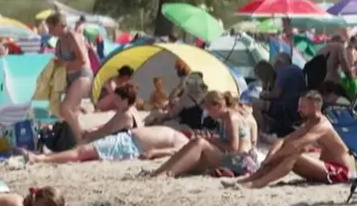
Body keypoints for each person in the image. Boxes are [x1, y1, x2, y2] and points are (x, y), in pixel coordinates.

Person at [235, 91, 356, 188]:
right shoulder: (310, 122)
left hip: (338, 172)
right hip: (323, 170)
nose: (298, 110)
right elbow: (283, 140)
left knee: (294, 154)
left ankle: (259, 183)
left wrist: (274, 157)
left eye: (302, 107)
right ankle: (252, 178)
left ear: (314, 107)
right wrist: (270, 157)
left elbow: (296, 145)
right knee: (284, 152)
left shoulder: (323, 125)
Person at [151, 91, 258, 178]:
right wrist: (211, 138)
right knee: (196, 143)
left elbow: (233, 148)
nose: (208, 113)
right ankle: (161, 171)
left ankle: (167, 173)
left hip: (241, 162)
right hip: (235, 159)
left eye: (209, 109)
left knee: (200, 143)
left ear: (217, 106)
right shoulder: (225, 118)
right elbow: (227, 142)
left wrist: (210, 140)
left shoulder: (231, 118)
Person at [23, 125, 186, 165]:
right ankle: (45, 156)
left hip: (129, 145)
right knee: (83, 152)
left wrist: (152, 153)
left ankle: (41, 159)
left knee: (81, 152)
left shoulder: (184, 143)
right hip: (128, 140)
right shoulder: (182, 136)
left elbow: (172, 152)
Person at [47, 13, 93, 145]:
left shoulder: (73, 37)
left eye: (51, 27)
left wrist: (64, 64)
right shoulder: (59, 42)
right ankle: (77, 139)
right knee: (71, 112)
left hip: (82, 74)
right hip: (71, 77)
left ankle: (82, 140)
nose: (49, 31)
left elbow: (82, 60)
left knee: (65, 109)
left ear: (60, 25)